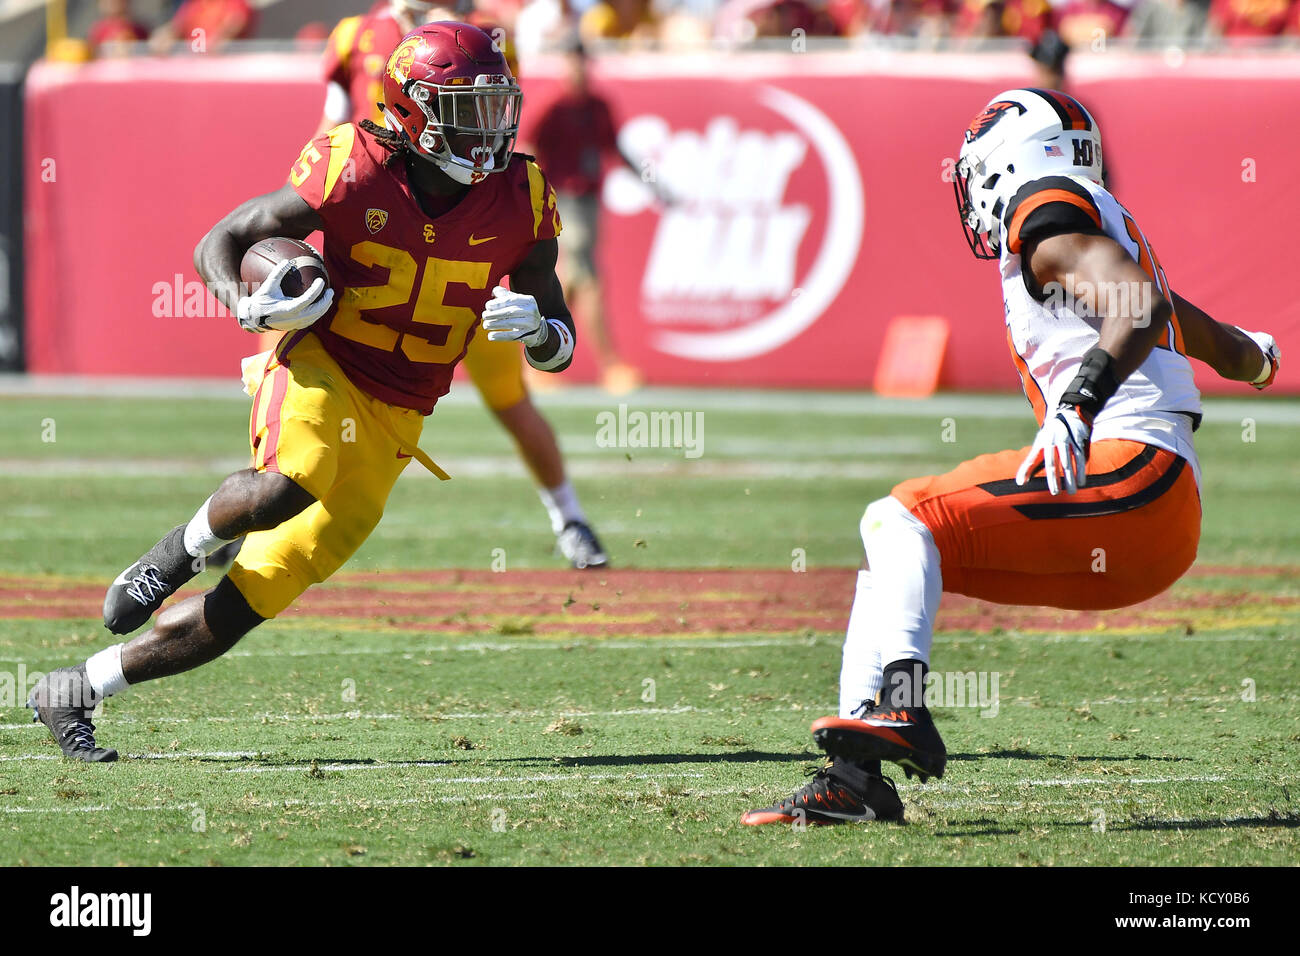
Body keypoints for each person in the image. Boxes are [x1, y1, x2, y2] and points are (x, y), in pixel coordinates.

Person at [29, 22, 582, 762]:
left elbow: (560, 331)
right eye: (467, 109)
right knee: (292, 479)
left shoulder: (522, 193)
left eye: (495, 108)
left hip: (401, 416)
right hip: (324, 366)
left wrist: (542, 333)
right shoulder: (352, 164)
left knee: (254, 597)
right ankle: (180, 549)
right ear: (414, 112)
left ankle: (73, 690)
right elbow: (218, 242)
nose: (490, 130)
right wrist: (244, 303)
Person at [743, 88, 1281, 825]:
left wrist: (1077, 405)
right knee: (896, 542)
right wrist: (1251, 358)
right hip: (1152, 522)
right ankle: (855, 781)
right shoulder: (1095, 227)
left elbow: (1141, 307)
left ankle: (899, 711)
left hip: (1133, 478)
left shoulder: (1046, 204)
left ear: (1009, 161)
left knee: (904, 519)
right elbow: (1179, 315)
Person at [318, 0, 608, 567]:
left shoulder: (482, 36)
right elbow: (328, 129)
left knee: (510, 399)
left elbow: (491, 130)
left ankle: (569, 516)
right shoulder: (355, 34)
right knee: (304, 391)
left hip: (461, 253)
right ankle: (242, 522)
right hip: (379, 243)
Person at [531, 43, 647, 394]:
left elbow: (613, 147)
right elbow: (533, 148)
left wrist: (650, 179)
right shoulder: (557, 106)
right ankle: (609, 365)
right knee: (588, 278)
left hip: (589, 201)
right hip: (565, 199)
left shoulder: (598, 107)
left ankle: (539, 360)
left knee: (572, 279)